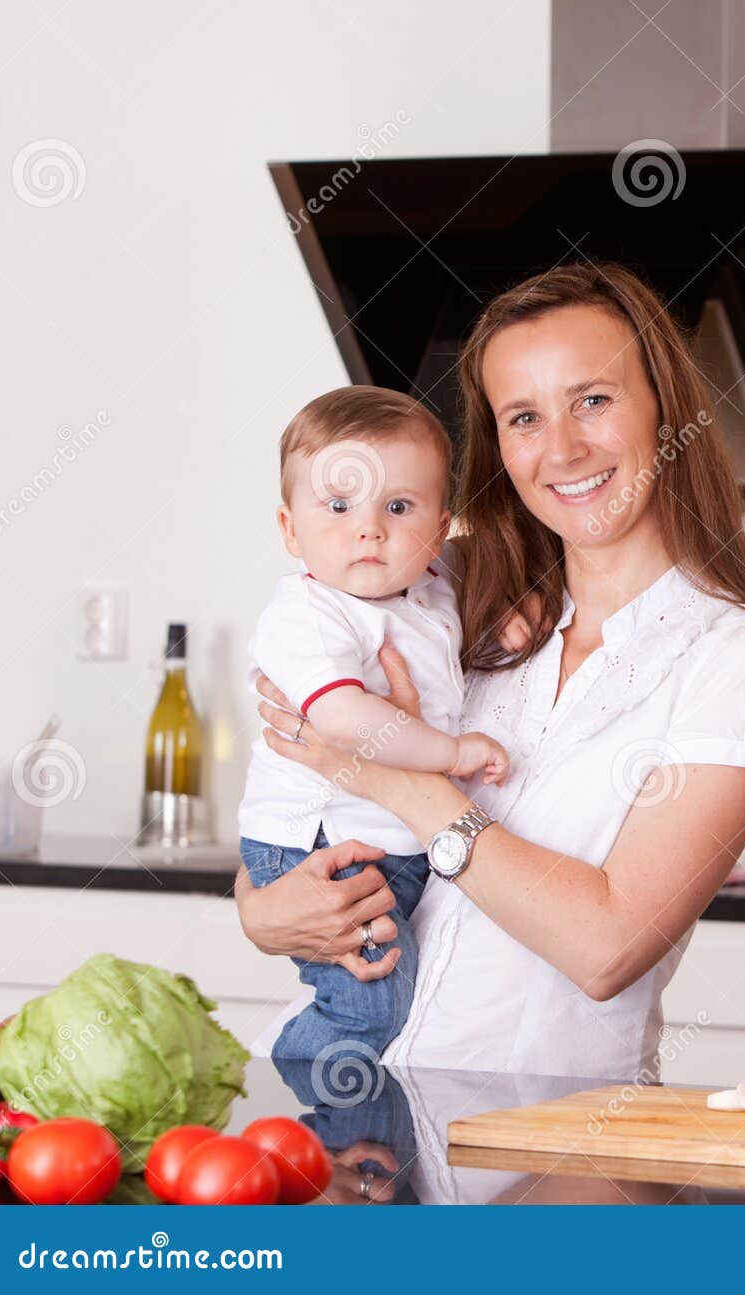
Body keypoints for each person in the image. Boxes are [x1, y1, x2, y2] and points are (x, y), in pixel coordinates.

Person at [238, 262, 745, 1080]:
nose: (563, 447)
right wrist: (262, 911)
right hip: (352, 1113)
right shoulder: (444, 585)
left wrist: (401, 780)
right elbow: (293, 775)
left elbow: (607, 947)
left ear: (667, 409)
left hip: (551, 1158)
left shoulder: (739, 656)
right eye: (524, 417)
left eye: (594, 400)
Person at [238, 386, 510, 1062]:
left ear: (440, 527)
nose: (369, 528)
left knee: (386, 1001)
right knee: (370, 1009)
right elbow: (343, 719)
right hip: (319, 847)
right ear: (288, 529)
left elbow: (481, 579)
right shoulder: (310, 612)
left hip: (384, 843)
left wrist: (513, 613)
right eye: (338, 505)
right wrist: (448, 750)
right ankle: (312, 1129)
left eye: (398, 507)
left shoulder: (425, 584)